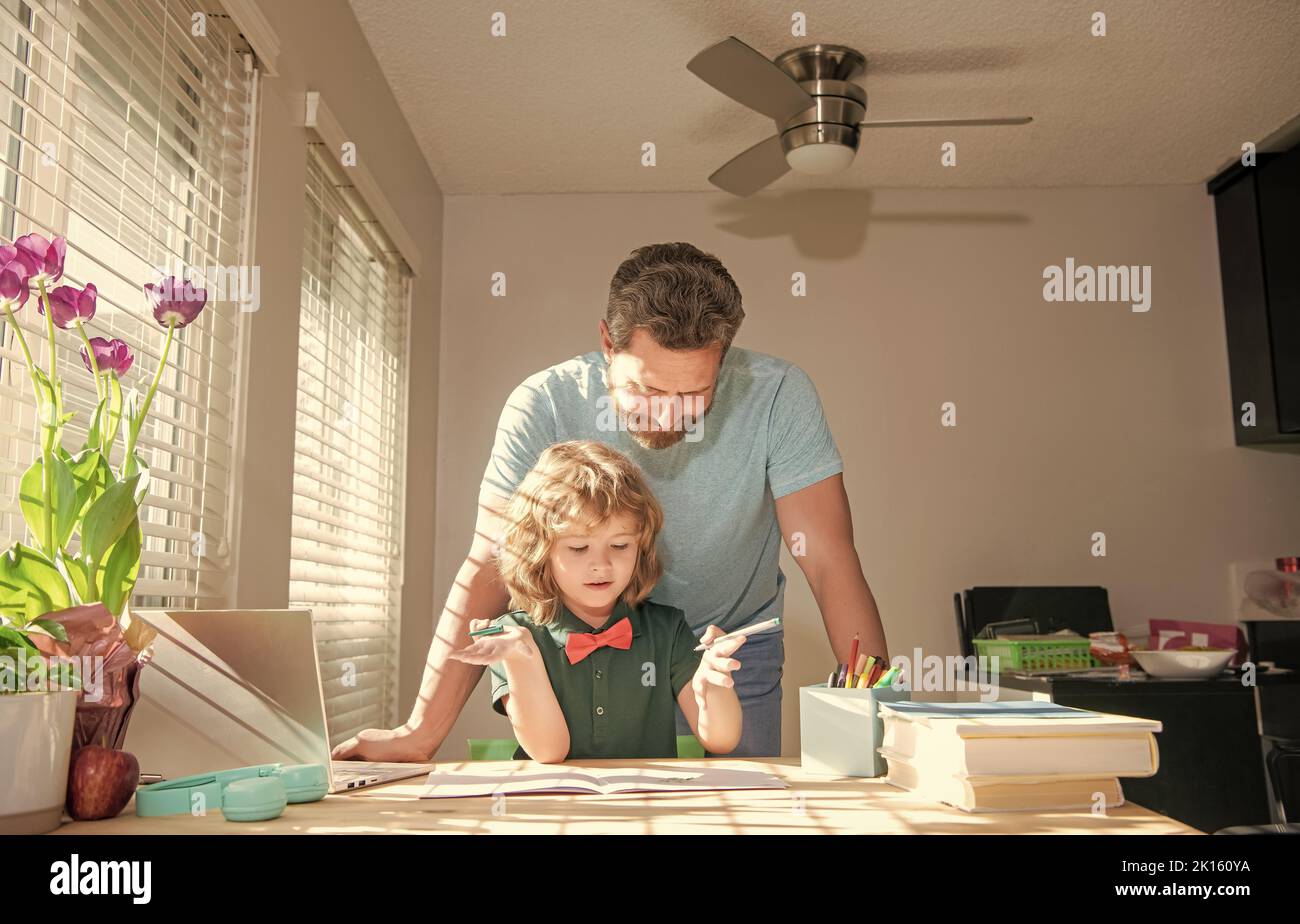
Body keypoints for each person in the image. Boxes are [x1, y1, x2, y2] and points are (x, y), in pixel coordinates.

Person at [332, 241, 887, 762]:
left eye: (695, 393)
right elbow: (491, 563)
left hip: (726, 650)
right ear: (607, 342)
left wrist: (880, 721)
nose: (670, 416)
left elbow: (828, 557)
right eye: (647, 390)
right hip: (584, 649)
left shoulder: (779, 395)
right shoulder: (543, 403)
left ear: (724, 356)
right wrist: (420, 735)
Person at [448, 441, 745, 761]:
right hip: (552, 806)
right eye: (578, 548)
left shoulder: (668, 630)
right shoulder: (513, 636)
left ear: (641, 546)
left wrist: (713, 683)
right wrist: (522, 660)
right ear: (539, 551)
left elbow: (721, 740)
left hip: (648, 806)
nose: (601, 565)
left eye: (619, 546)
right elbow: (549, 751)